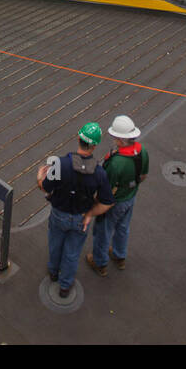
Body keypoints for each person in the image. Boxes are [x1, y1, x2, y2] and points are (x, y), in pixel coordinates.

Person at [39, 123, 114, 298]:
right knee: (72, 253)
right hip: (81, 218)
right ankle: (65, 286)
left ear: (79, 138)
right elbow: (108, 202)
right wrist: (89, 214)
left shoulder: (60, 164)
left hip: (59, 214)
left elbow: (45, 187)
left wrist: (39, 176)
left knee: (55, 244)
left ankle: (53, 272)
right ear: (94, 146)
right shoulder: (99, 173)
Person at [86, 115, 148, 275]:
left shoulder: (116, 163)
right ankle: (119, 256)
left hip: (114, 202)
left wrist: (95, 204)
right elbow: (143, 176)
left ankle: (100, 263)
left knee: (103, 232)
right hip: (130, 197)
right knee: (123, 227)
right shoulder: (142, 151)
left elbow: (105, 189)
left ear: (120, 139)